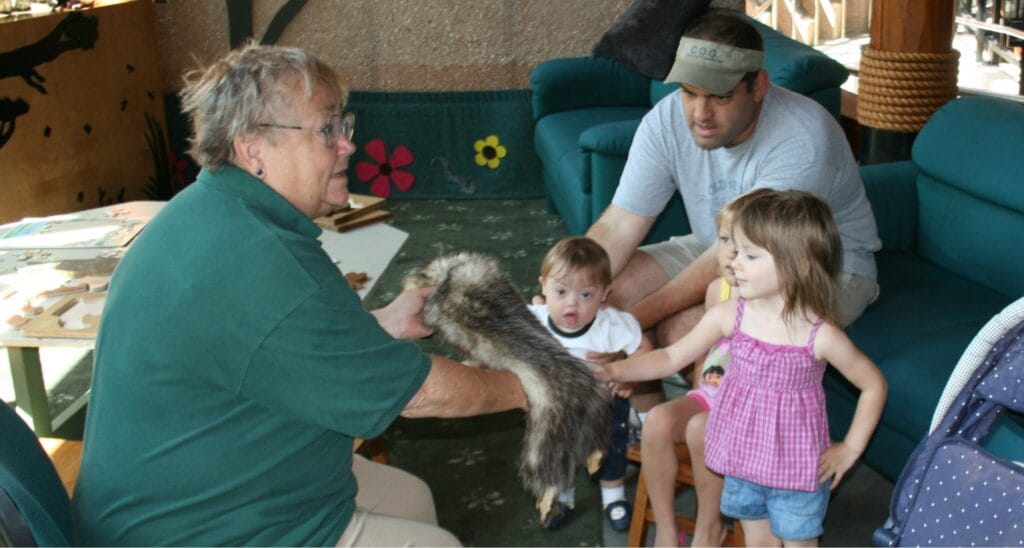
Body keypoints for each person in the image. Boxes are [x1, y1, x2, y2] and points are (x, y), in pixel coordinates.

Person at [72, 43, 527, 547]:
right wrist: (529, 387)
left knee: (411, 497)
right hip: (192, 530)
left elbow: (271, 345)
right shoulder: (266, 262)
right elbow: (416, 394)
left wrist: (387, 322)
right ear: (253, 151)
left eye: (343, 125)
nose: (347, 144)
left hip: (188, 491)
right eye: (326, 129)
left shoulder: (211, 211)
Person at [585, 9, 881, 415]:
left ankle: (720, 453)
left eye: (720, 96)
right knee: (602, 294)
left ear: (758, 86)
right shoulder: (669, 118)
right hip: (718, 245)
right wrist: (567, 286)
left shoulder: (801, 140)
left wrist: (631, 321)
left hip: (819, 264)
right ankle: (648, 420)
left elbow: (738, 255)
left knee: (687, 327)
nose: (700, 114)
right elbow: (618, 224)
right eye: (690, 92)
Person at [595, 189, 887, 546]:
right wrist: (614, 371)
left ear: (800, 264)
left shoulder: (820, 335)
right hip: (742, 463)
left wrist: (851, 448)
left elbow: (873, 384)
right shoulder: (729, 316)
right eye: (734, 250)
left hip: (796, 469)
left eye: (750, 255)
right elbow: (671, 357)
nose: (733, 262)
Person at [640, 191, 750, 547]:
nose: (731, 253)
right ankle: (668, 532)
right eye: (724, 241)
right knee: (657, 419)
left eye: (745, 244)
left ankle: (708, 527)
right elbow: (705, 356)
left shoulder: (770, 302)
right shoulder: (716, 292)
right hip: (711, 395)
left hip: (750, 410)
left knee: (701, 429)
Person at [526, 237, 651, 531]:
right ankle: (563, 498)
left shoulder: (613, 325)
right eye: (560, 291)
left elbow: (644, 350)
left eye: (586, 295)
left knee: (611, 450)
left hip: (605, 405)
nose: (572, 303)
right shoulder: (534, 321)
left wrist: (627, 374)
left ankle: (613, 496)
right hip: (553, 407)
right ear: (543, 286)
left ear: (604, 294)